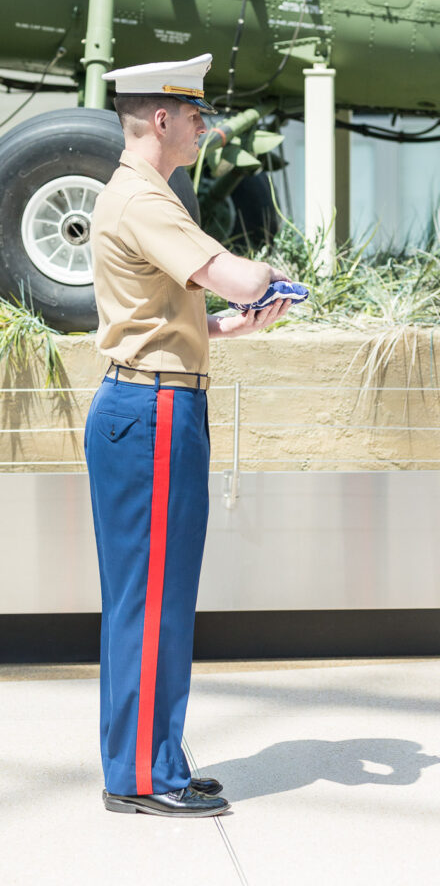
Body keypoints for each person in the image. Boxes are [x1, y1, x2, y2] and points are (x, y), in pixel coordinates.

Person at [85, 53, 292, 817]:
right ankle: (142, 776)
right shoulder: (145, 197)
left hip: (149, 404)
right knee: (152, 602)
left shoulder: (144, 194)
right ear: (161, 119)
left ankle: (151, 759)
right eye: (196, 114)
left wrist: (229, 327)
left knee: (152, 598)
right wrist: (263, 276)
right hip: (152, 413)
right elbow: (234, 273)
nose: (205, 125)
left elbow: (163, 317)